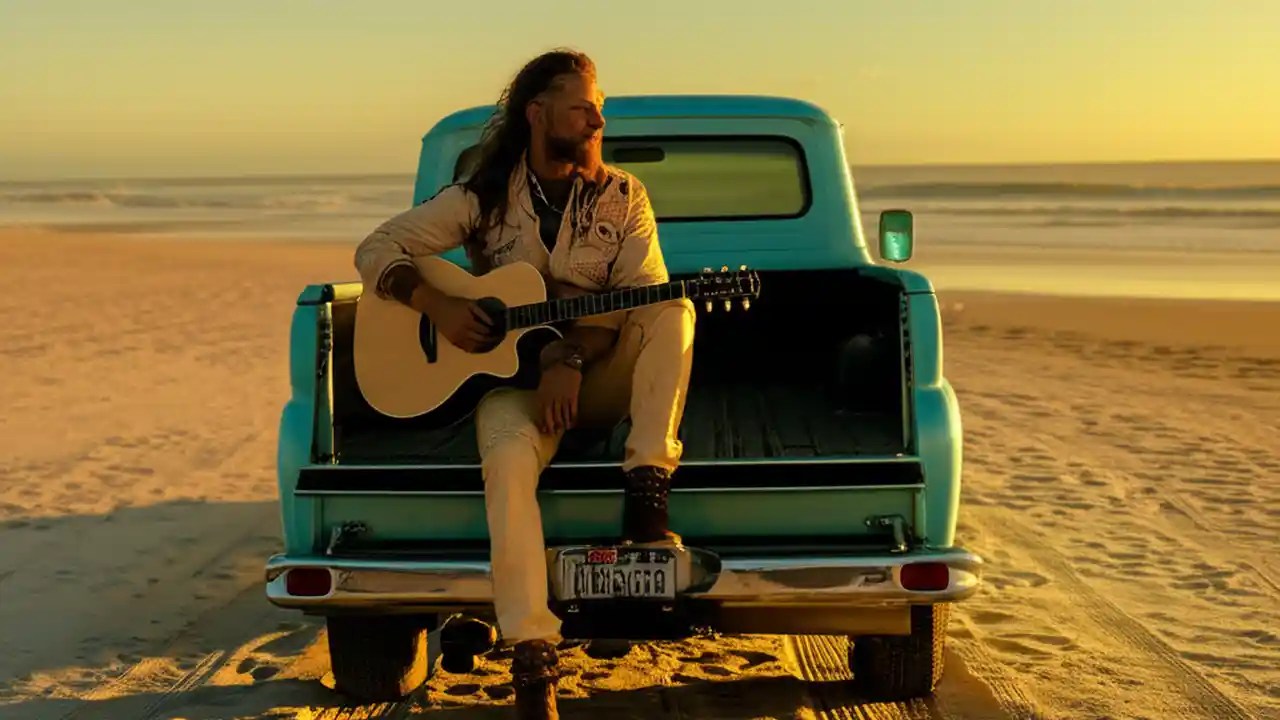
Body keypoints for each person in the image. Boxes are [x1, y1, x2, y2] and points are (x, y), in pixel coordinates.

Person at [353, 48, 695, 719]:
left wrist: (566, 356)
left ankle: (647, 492)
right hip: (511, 388)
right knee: (506, 465)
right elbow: (374, 251)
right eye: (580, 105)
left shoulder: (624, 197)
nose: (597, 117)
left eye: (599, 105)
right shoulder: (480, 198)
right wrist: (438, 306)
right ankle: (534, 658)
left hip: (597, 377)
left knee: (672, 307)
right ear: (538, 115)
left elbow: (635, 295)